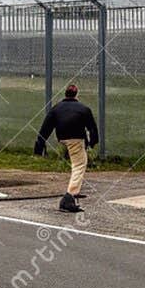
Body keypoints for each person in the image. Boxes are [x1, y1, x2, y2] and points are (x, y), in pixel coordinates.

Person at [35, 84, 98, 213]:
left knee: (77, 163)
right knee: (79, 165)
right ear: (76, 95)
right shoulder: (84, 109)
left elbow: (46, 127)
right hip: (76, 139)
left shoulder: (56, 108)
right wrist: (92, 142)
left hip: (63, 137)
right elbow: (92, 128)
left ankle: (75, 190)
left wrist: (40, 144)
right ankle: (69, 197)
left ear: (65, 94)